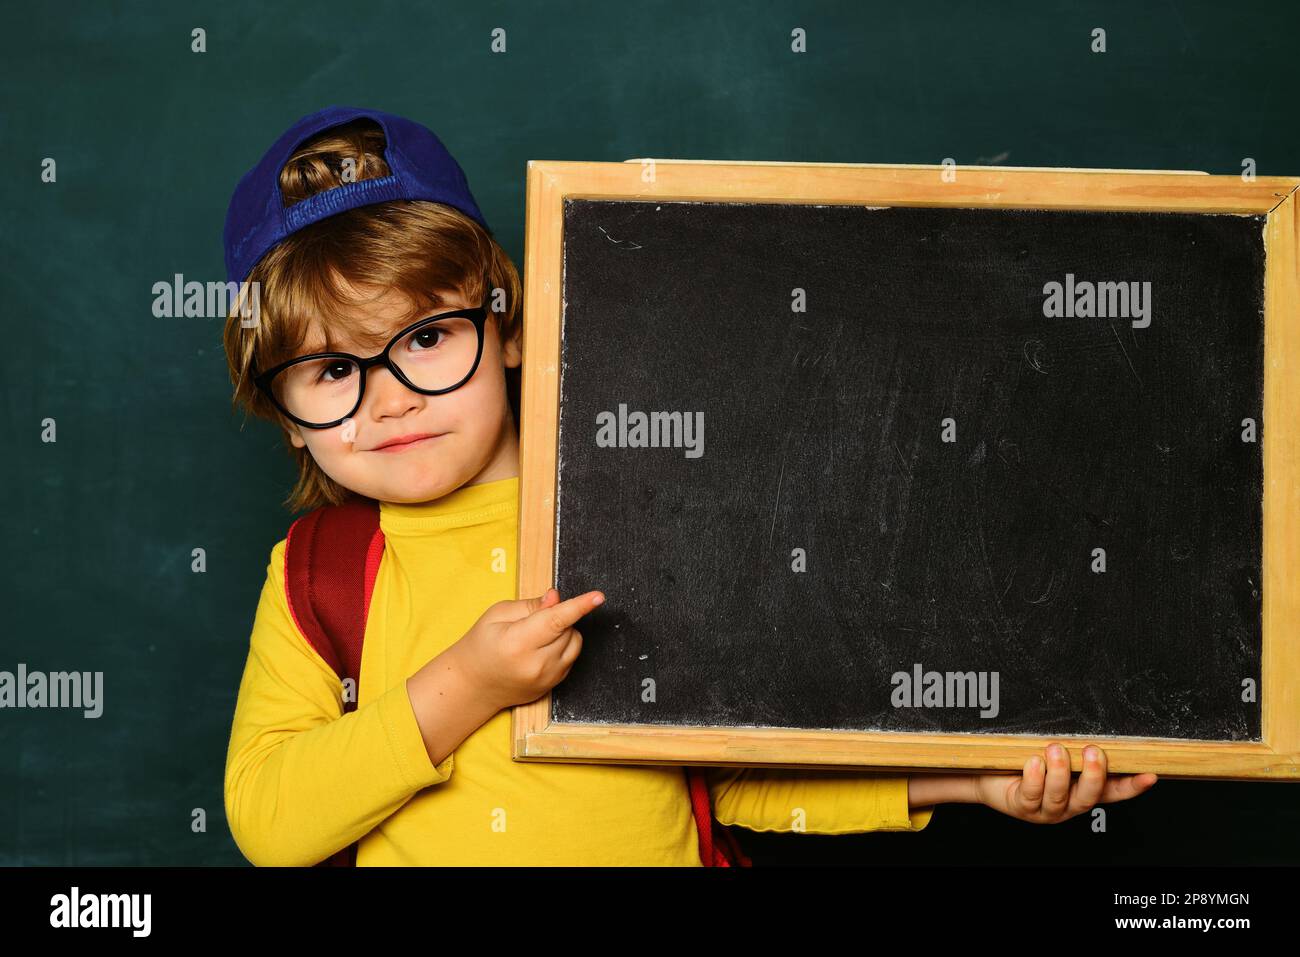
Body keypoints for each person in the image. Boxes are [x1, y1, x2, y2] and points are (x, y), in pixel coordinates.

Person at [220, 106, 1157, 866]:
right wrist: (465, 684)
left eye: (426, 338)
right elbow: (271, 820)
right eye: (332, 370)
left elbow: (733, 771)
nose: (388, 398)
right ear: (286, 410)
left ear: (508, 328)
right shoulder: (320, 573)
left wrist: (967, 779)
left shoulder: (638, 504)